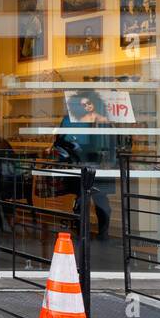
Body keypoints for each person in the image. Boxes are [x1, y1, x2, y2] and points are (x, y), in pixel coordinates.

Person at [53, 90, 112, 240]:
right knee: (82, 201)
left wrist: (111, 161)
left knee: (102, 202)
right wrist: (71, 153)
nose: (86, 106)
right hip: (79, 164)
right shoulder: (69, 120)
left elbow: (113, 143)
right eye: (82, 104)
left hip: (100, 165)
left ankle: (103, 235)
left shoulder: (104, 121)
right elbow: (60, 142)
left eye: (89, 103)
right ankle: (83, 235)